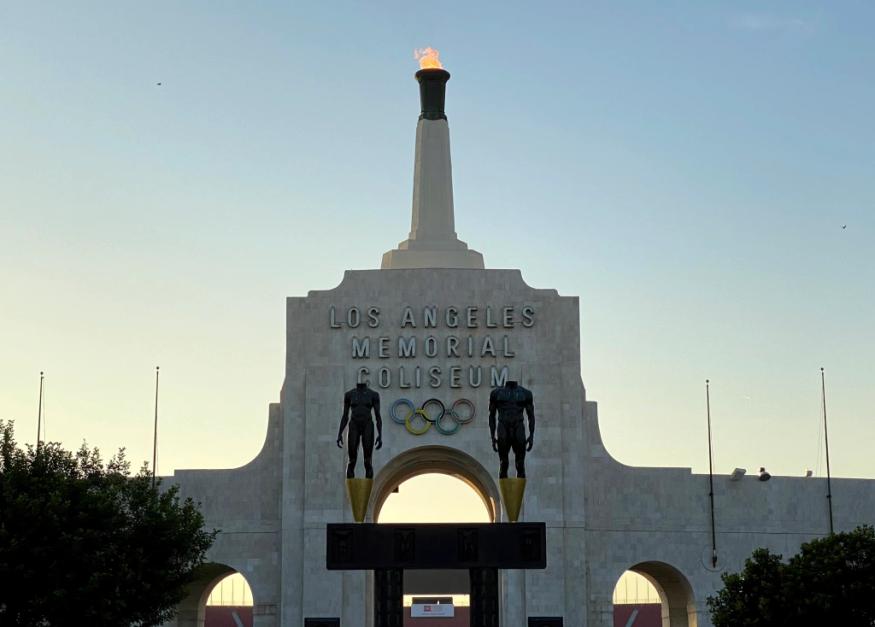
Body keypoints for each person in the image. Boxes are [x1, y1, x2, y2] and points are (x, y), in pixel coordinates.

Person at [488, 380, 535, 478]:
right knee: (503, 464)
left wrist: (531, 436)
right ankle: (505, 493)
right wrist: (492, 437)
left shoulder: (526, 393)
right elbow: (491, 416)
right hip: (503, 426)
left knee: (520, 465)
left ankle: (519, 493)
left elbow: (531, 416)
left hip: (518, 426)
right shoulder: (496, 393)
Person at [337, 382, 382, 478]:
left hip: (368, 425)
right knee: (351, 461)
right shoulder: (349, 395)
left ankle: (368, 492)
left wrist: (380, 435)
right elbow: (345, 416)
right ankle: (351, 491)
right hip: (354, 425)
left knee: (368, 461)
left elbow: (378, 416)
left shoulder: (373, 394)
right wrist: (340, 433)